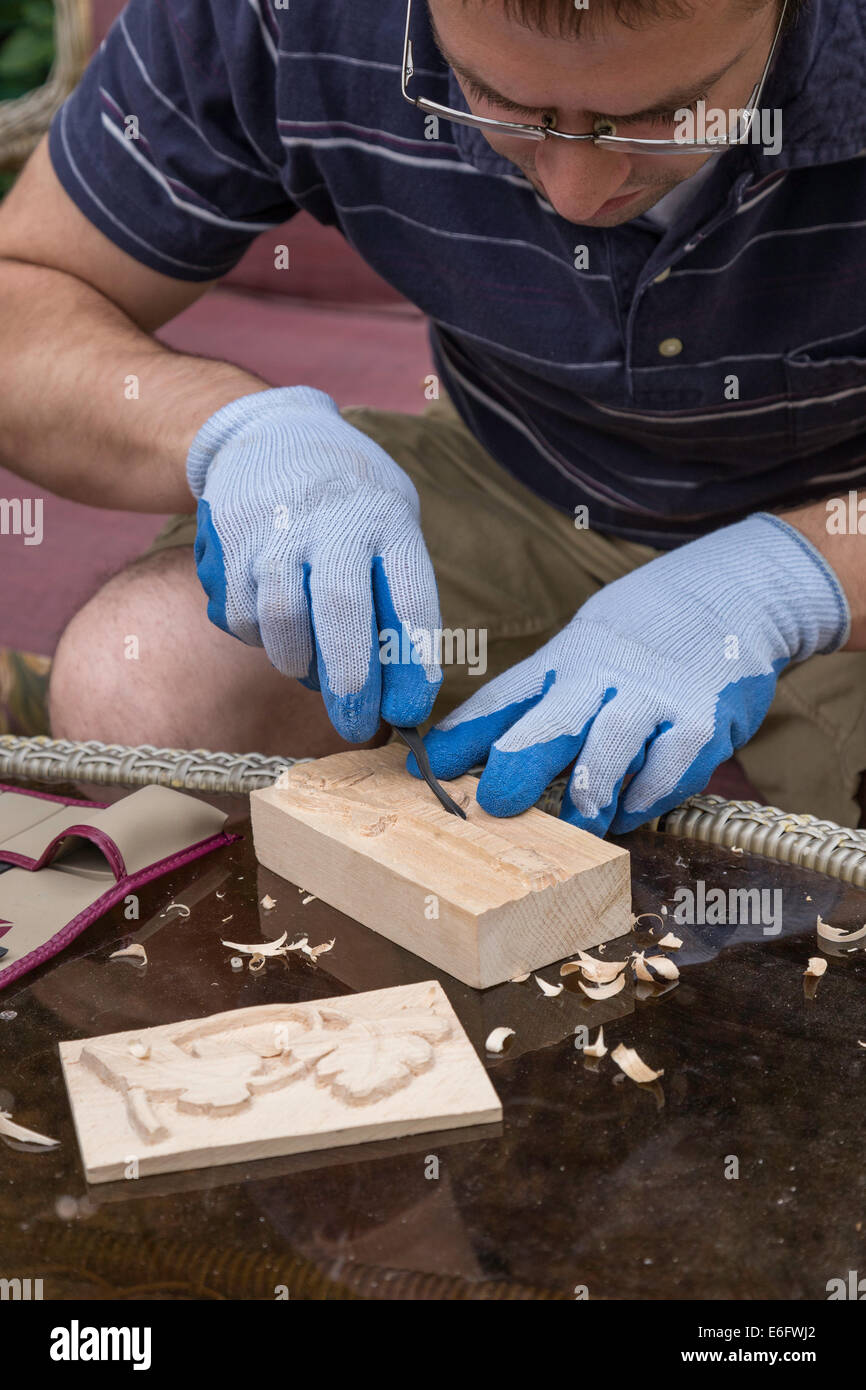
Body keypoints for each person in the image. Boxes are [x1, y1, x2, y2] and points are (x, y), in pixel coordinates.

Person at [1, 0, 864, 833]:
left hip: (840, 520)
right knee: (147, 683)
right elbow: (26, 303)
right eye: (504, 100)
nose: (575, 192)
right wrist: (236, 429)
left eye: (664, 113)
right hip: (519, 466)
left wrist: (774, 587)